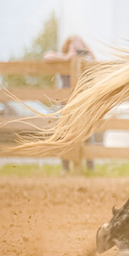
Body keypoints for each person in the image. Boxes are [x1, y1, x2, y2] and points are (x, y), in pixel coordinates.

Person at [44, 36, 99, 172]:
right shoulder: (63, 59)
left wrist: (87, 52)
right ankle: (65, 168)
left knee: (87, 135)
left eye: (79, 46)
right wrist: (67, 57)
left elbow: (97, 64)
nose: (77, 49)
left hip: (83, 104)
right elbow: (47, 57)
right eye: (74, 46)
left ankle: (90, 168)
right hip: (67, 104)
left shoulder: (85, 63)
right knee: (65, 135)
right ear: (67, 47)